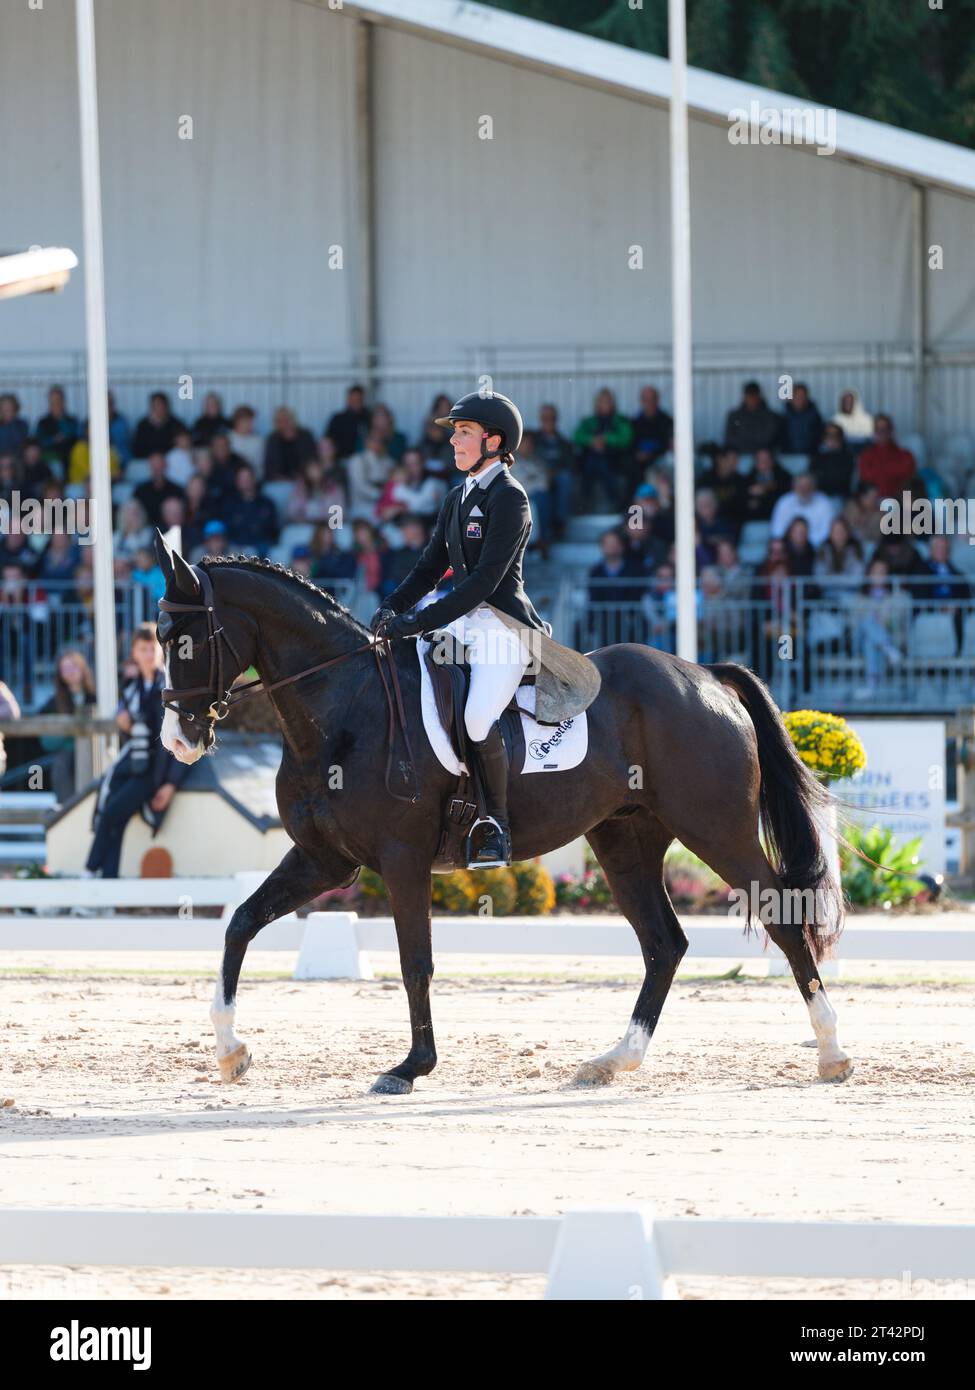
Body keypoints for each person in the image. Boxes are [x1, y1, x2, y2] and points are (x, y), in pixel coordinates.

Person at [373, 390, 548, 868]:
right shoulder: (457, 497)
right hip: (463, 626)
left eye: (464, 432)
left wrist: (418, 621)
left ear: (493, 441)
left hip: (503, 628)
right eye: (454, 432)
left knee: (475, 719)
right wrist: (391, 607)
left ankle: (497, 826)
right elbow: (430, 568)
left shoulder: (511, 498)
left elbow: (483, 584)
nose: (454, 441)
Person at [83, 625, 189, 882]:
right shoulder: (131, 687)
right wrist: (123, 724)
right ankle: (108, 886)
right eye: (142, 649)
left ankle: (89, 870)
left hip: (151, 771)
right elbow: (132, 734)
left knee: (110, 813)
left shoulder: (170, 687)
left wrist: (171, 783)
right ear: (134, 652)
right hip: (131, 764)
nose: (148, 653)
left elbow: (183, 737)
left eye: (152, 647)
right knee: (114, 821)